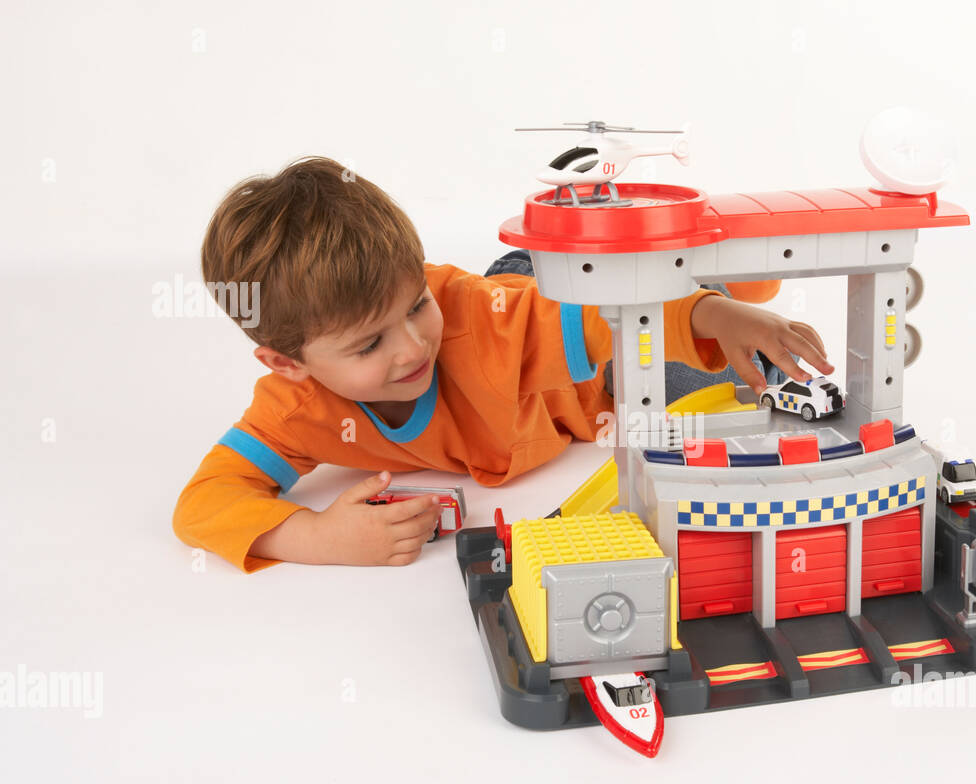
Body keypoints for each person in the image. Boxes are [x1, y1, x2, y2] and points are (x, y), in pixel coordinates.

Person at [172, 156, 832, 572]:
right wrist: (317, 538)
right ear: (286, 363)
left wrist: (712, 314)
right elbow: (203, 503)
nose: (413, 347)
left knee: (738, 382)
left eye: (417, 304)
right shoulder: (294, 411)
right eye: (369, 345)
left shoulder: (479, 329)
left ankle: (715, 274)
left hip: (564, 339)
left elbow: (610, 321)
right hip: (514, 294)